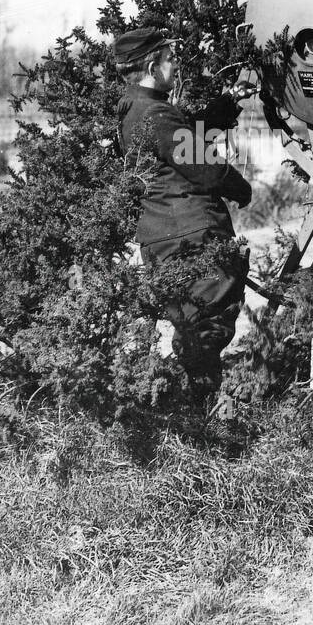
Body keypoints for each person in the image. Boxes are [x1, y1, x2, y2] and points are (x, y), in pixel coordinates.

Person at [113, 25, 253, 406]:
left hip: (161, 235)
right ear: (152, 65)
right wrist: (241, 188)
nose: (176, 65)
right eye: (170, 58)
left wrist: (227, 105)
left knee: (190, 325)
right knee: (205, 326)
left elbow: (183, 140)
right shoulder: (155, 113)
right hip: (190, 234)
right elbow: (202, 163)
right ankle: (203, 414)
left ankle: (190, 405)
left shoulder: (134, 108)